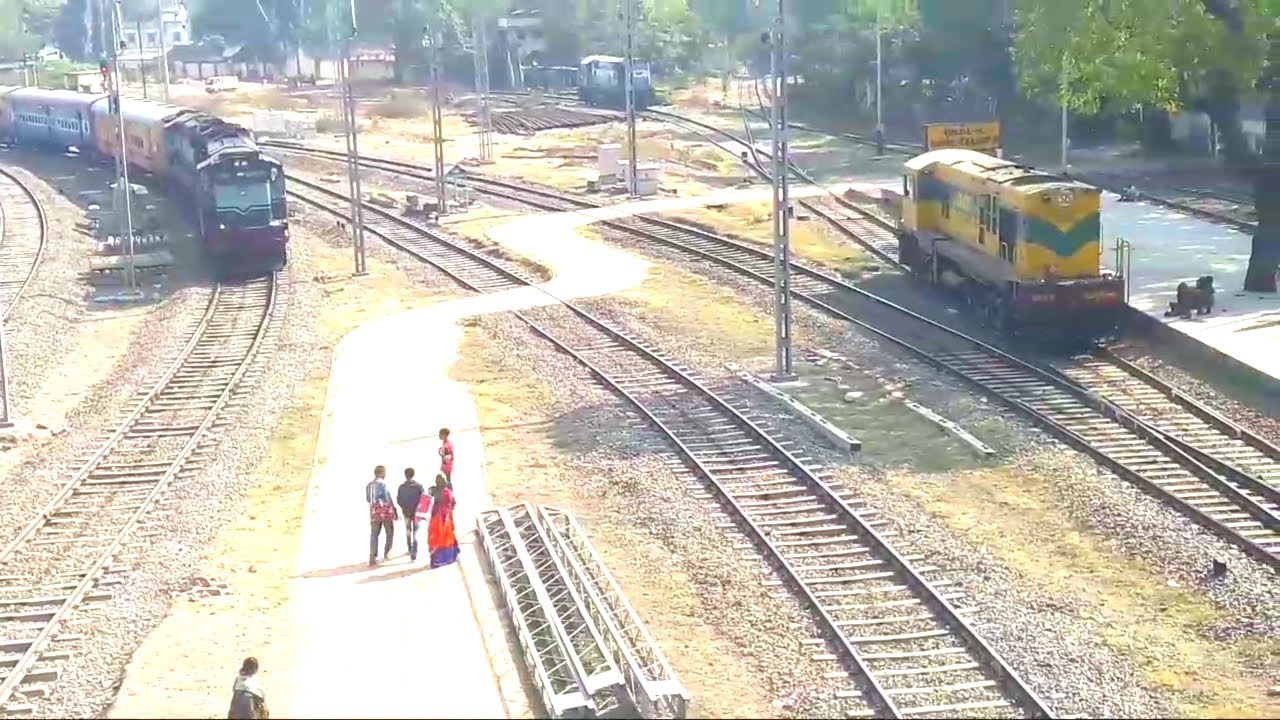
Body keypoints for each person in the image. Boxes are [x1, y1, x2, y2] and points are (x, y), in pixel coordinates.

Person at [425, 473, 460, 568]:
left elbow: (426, 503)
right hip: (445, 518)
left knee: (435, 538)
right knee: (446, 538)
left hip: (435, 518)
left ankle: (435, 560)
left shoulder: (432, 491)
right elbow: (452, 504)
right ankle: (448, 558)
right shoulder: (448, 493)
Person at [365, 465, 397, 566]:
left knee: (374, 534)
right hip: (385, 512)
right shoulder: (383, 484)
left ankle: (372, 556)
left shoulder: (369, 485)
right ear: (382, 473)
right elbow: (388, 497)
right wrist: (394, 509)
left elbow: (368, 499)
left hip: (374, 512)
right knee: (389, 531)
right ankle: (387, 552)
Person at [396, 467, 425, 561]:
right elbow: (424, 499)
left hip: (406, 512)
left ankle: (409, 548)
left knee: (408, 530)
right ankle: (414, 551)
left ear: (405, 475)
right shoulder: (418, 486)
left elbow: (398, 500)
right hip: (416, 512)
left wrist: (403, 507)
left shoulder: (401, 487)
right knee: (416, 531)